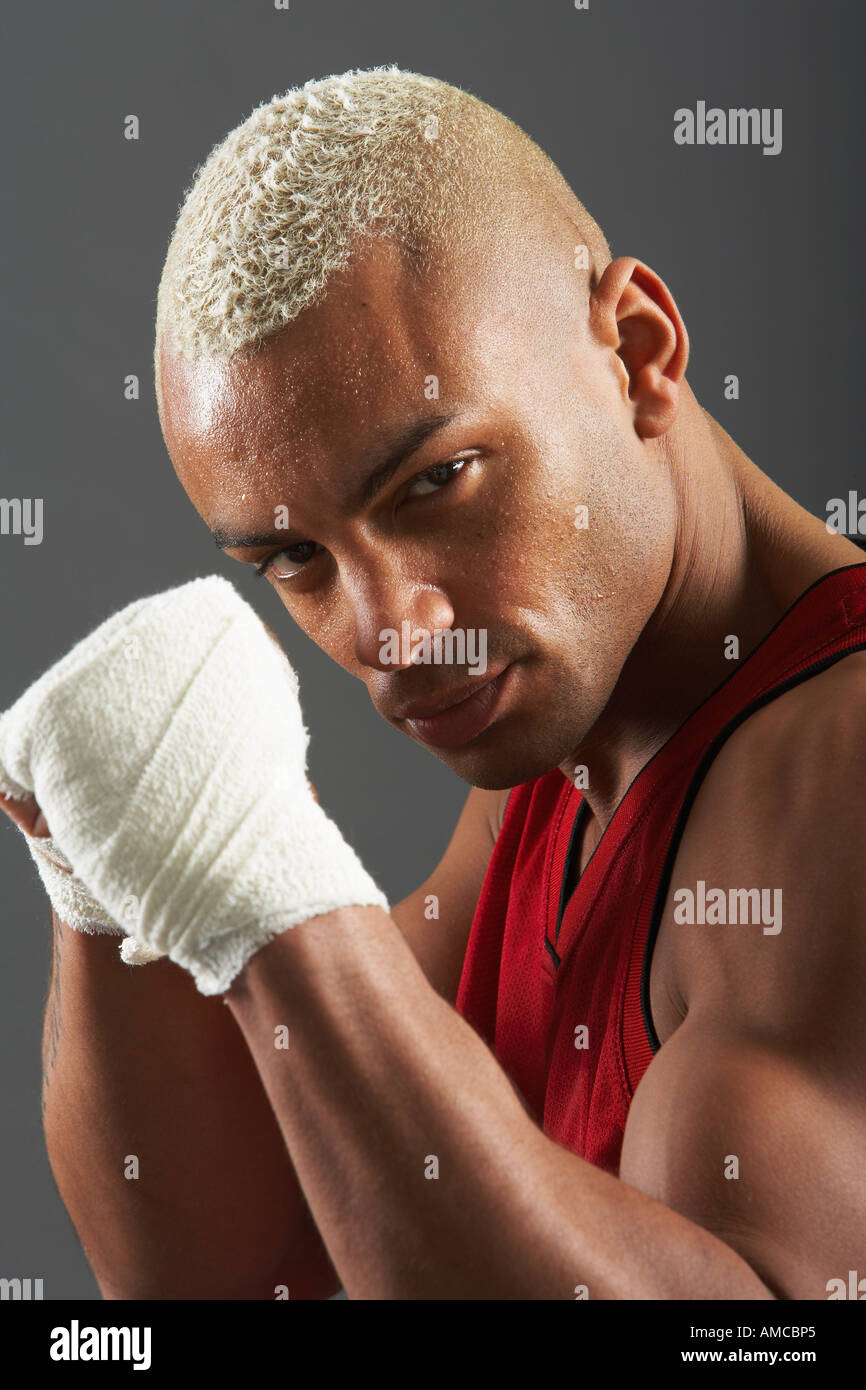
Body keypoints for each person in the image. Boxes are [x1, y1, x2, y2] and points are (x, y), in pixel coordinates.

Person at [2, 66, 864, 1300]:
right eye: (296, 557)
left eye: (435, 481)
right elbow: (254, 1275)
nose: (392, 632)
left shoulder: (837, 781)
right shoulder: (566, 725)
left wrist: (271, 894)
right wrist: (113, 896)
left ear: (634, 354)